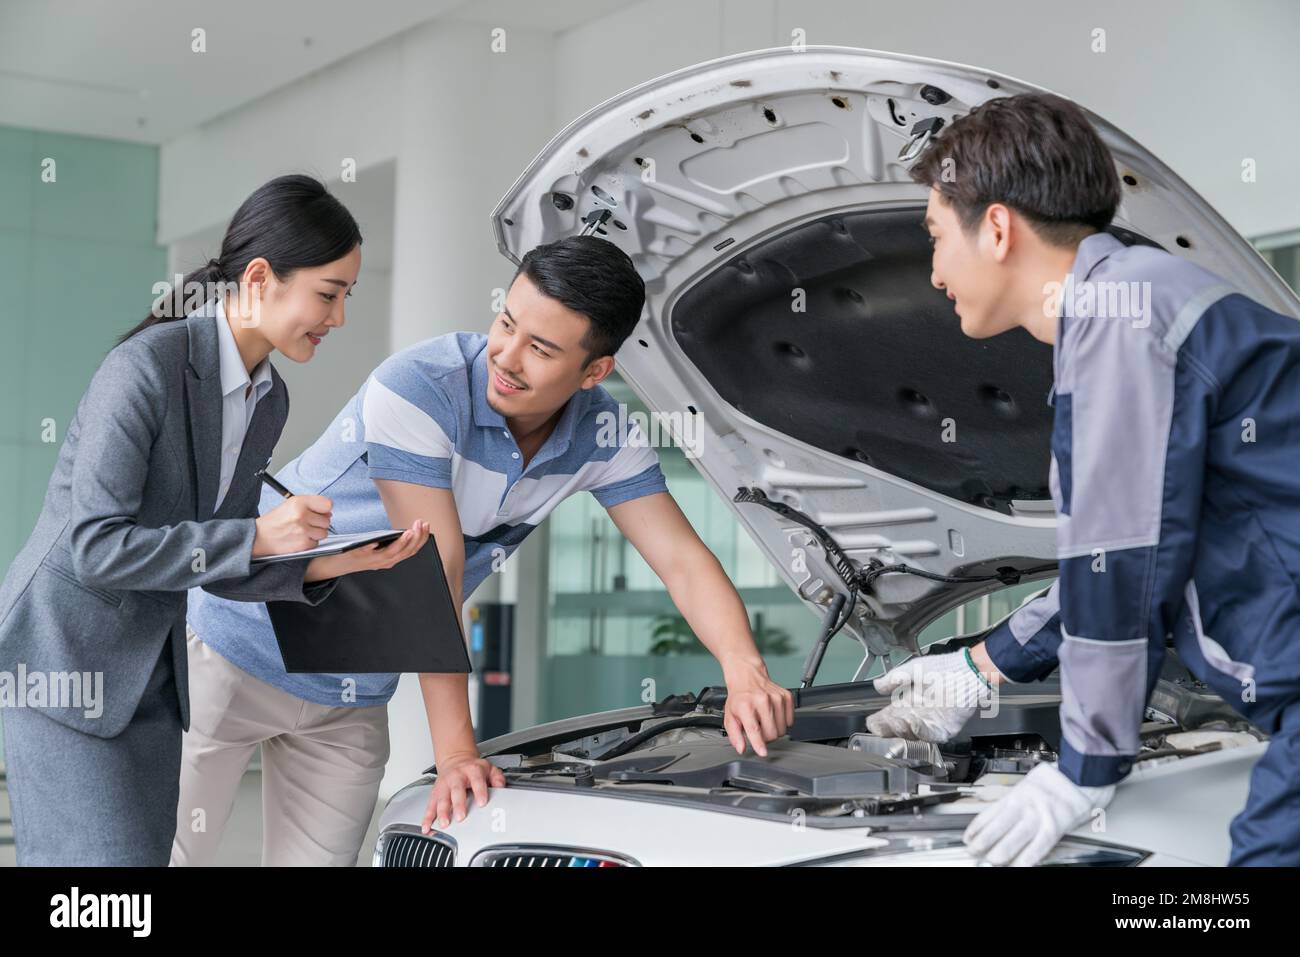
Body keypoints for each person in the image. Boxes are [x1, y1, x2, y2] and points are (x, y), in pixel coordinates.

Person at [172, 235, 796, 866]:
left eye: (542, 349)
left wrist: (746, 672)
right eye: (506, 323)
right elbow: (430, 570)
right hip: (235, 647)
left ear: (593, 373)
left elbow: (682, 561)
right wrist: (456, 752)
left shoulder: (605, 434)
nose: (507, 356)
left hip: (352, 688)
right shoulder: (421, 384)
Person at [866, 92, 1300, 866]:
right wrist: (982, 665)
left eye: (935, 237)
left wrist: (1084, 770)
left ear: (995, 228)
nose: (933, 272)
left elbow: (1122, 557)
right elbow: (1128, 557)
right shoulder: (1135, 300)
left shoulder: (1120, 316)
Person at [0, 174, 429, 865]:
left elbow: (217, 564)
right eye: (328, 293)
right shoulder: (142, 369)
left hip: (151, 679)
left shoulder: (267, 398)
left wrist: (329, 562)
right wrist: (261, 532)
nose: (338, 317)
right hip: (65, 663)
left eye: (348, 296)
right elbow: (95, 549)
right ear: (261, 277)